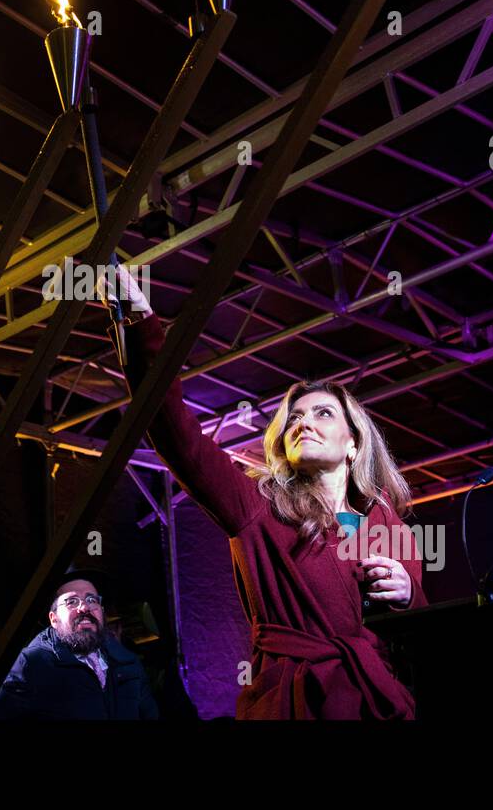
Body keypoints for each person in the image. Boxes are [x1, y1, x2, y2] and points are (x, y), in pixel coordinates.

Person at [100, 266, 425, 719]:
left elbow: (418, 632)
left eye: (323, 413)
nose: (304, 421)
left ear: (354, 443)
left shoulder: (384, 520)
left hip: (377, 703)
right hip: (293, 704)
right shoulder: (258, 506)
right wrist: (138, 323)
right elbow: (174, 430)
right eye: (294, 416)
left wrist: (410, 592)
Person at [0, 570, 159, 719]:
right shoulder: (33, 663)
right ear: (54, 619)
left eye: (92, 599)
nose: (84, 608)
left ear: (102, 612)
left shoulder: (128, 663)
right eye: (71, 601)